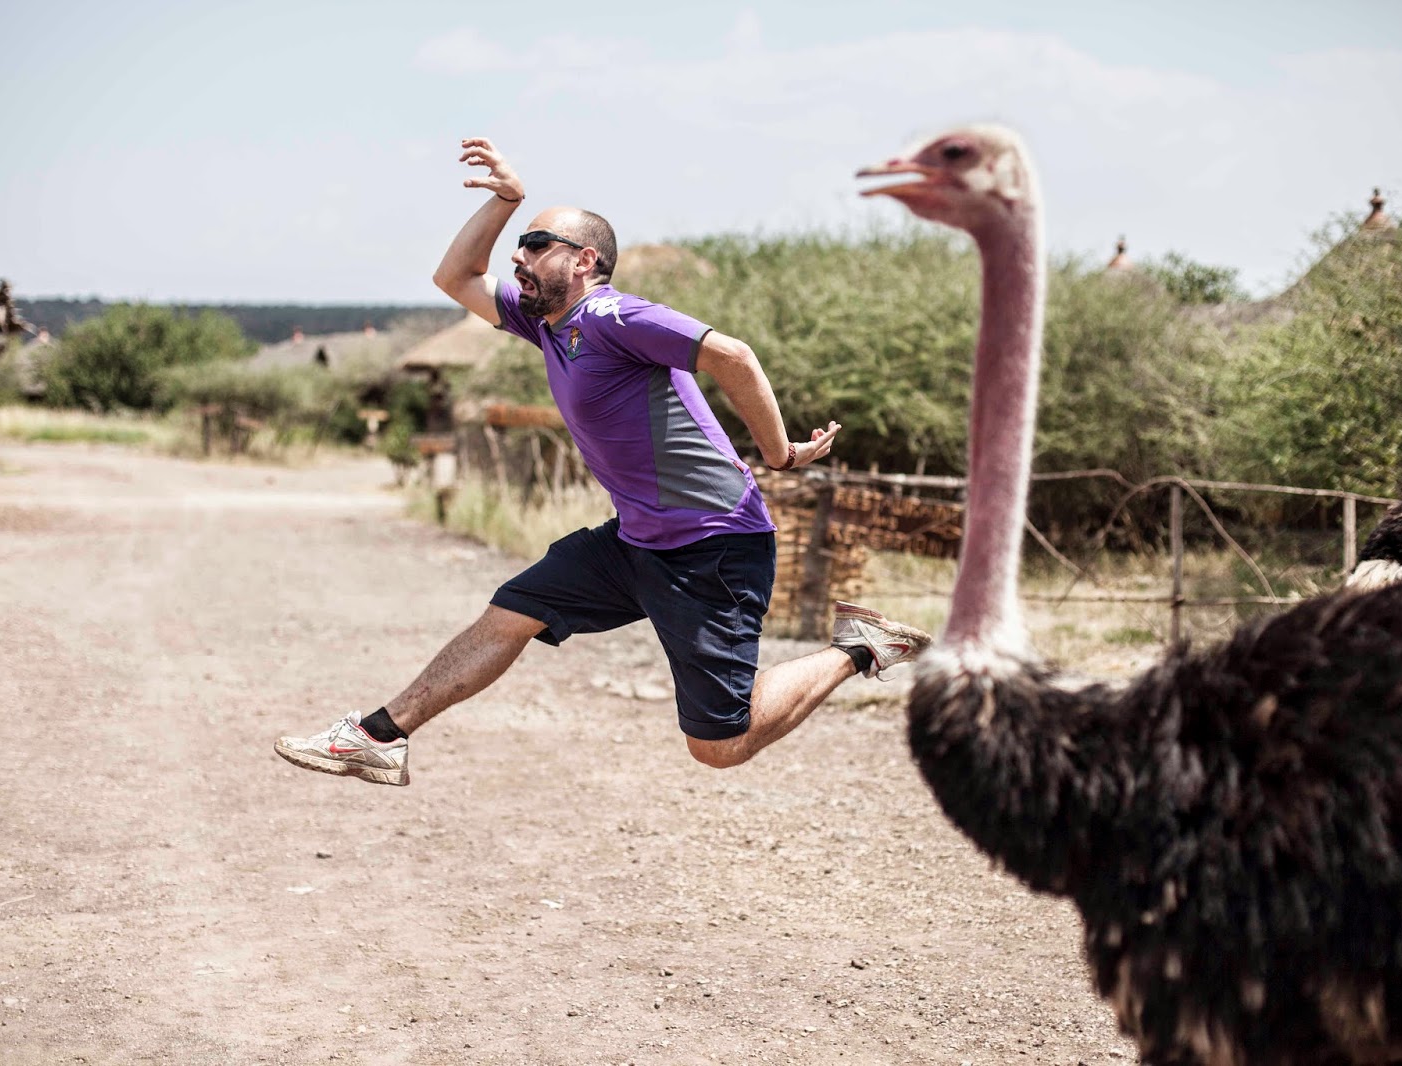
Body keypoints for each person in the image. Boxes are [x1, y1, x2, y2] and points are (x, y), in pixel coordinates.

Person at [274, 137, 931, 786]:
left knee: (721, 747)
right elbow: (455, 277)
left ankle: (859, 650)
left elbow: (734, 355)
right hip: (634, 540)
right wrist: (510, 200)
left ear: (586, 259)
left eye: (536, 245)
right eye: (521, 246)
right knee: (511, 611)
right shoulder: (547, 325)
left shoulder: (616, 315)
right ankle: (378, 737)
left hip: (713, 548)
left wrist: (779, 453)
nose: (519, 257)